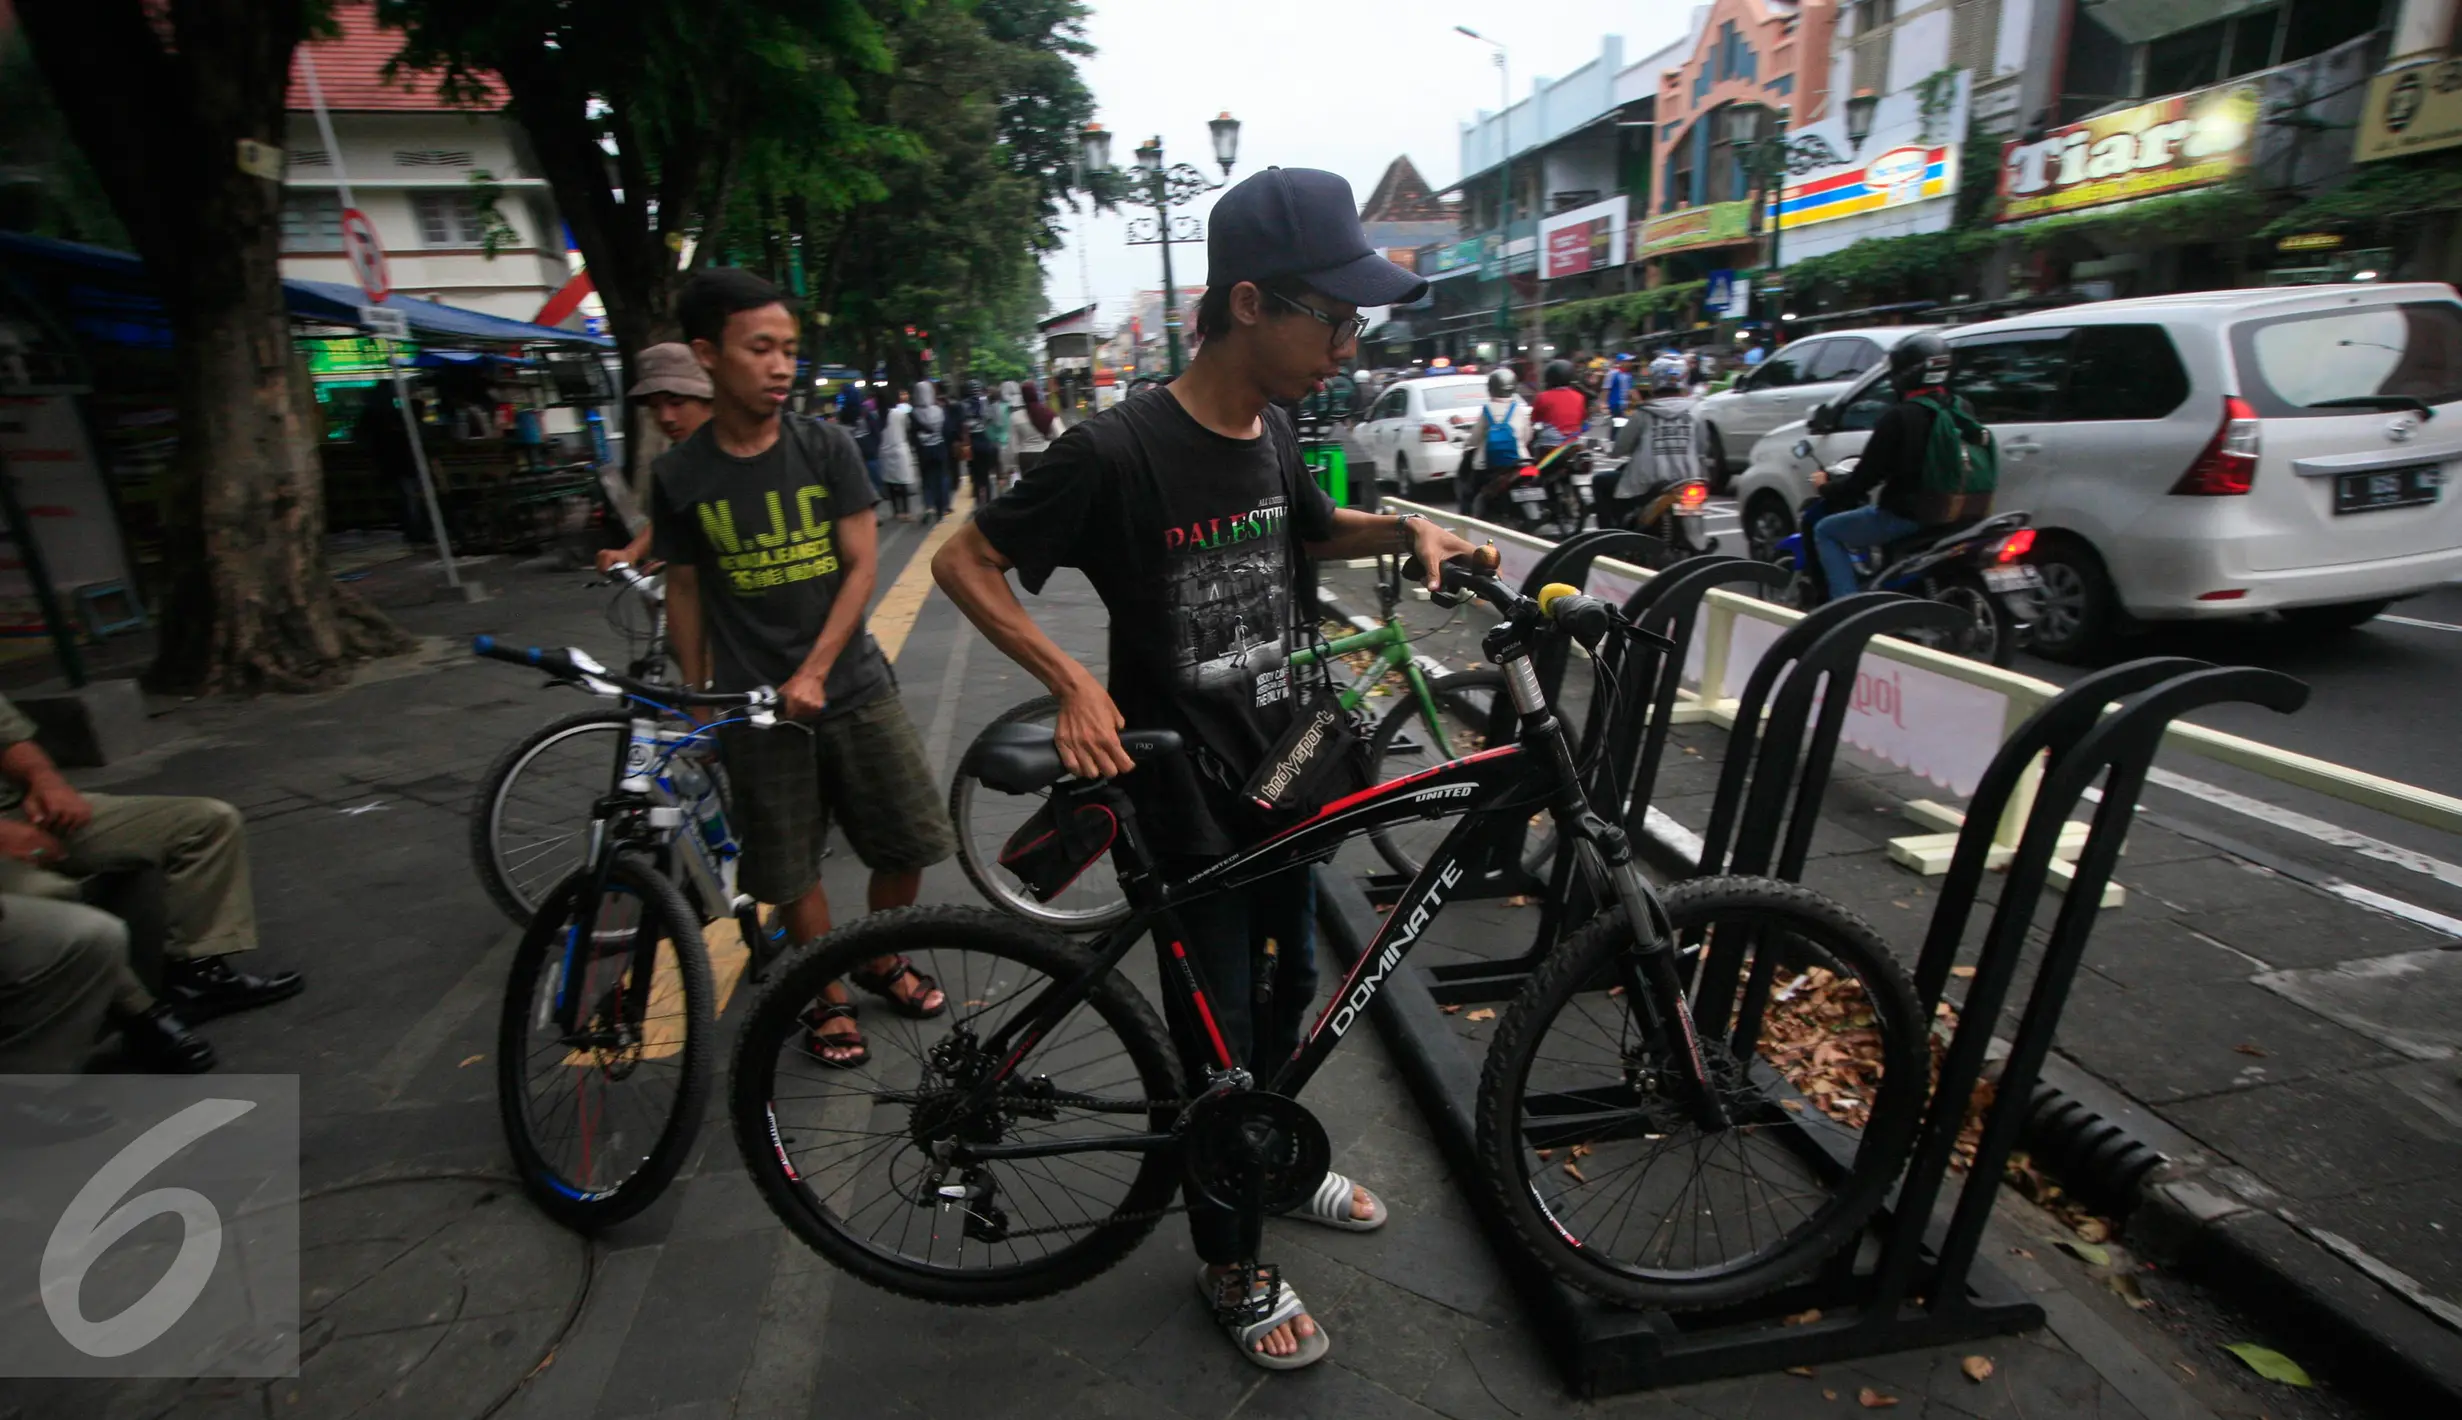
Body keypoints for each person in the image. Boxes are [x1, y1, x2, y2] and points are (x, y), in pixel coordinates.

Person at [934, 166, 1477, 1372]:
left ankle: (1271, 1168)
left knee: (1286, 1010)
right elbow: (963, 563)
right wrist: (1072, 681)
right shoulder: (1114, 450)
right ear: (1247, 303)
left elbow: (1313, 533)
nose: (1347, 342)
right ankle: (1229, 1257)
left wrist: (1408, 527)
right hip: (1182, 809)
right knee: (1218, 1046)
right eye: (1331, 318)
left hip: (1286, 777)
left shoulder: (1275, 427)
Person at [652, 269, 958, 1066]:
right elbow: (684, 587)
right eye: (761, 348)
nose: (781, 365)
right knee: (788, 865)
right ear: (708, 355)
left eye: (788, 349)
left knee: (909, 839)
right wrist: (695, 698)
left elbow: (862, 567)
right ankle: (825, 995)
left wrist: (817, 669)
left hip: (852, 685)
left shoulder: (823, 445)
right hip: (755, 708)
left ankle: (876, 955)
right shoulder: (681, 475)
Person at [0, 695, 291, 1071]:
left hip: (20, 808)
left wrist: (46, 779)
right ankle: (140, 1017)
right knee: (53, 902)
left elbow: (10, 739)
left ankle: (196, 975)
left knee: (207, 822)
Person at [1811, 332, 1983, 601]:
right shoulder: (1961, 408)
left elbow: (1864, 480)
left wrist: (1827, 488)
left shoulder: (1900, 416)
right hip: (1961, 513)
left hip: (1908, 516)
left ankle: (1844, 607)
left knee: (1825, 529)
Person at [598, 342, 717, 574]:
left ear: (709, 399)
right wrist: (631, 553)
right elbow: (670, 518)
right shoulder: (677, 464)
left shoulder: (745, 451)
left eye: (676, 403)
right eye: (654, 407)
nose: (665, 417)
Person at [1605, 357, 1701, 528]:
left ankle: (1613, 539)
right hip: (1690, 479)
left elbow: (1620, 448)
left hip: (1648, 482)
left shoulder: (1643, 413)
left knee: (1601, 481)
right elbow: (1704, 447)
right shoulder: (1698, 411)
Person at [1460, 365, 1532, 517]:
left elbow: (1475, 438)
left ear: (1491, 387)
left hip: (1489, 465)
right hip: (1519, 460)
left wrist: (1467, 444)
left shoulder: (1487, 410)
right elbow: (1527, 436)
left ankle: (1467, 518)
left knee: (1470, 491)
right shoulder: (1518, 409)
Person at [908, 380, 953, 522]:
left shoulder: (913, 413)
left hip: (923, 451)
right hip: (939, 447)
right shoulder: (939, 410)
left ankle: (929, 506)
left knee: (926, 479)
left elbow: (912, 434)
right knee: (941, 478)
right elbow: (946, 430)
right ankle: (942, 507)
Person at [1529, 359, 1587, 451]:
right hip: (1574, 444)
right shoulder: (1579, 397)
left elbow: (1534, 419)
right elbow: (1582, 419)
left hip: (1549, 444)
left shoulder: (1543, 396)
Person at [879, 388, 919, 520]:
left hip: (884, 452)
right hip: (899, 449)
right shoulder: (899, 413)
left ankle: (896, 511)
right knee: (903, 484)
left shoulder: (877, 415)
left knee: (890, 483)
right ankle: (907, 512)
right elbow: (907, 427)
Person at [960, 378, 998, 506]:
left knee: (975, 473)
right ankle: (987, 501)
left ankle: (978, 501)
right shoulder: (984, 402)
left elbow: (962, 424)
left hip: (970, 443)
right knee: (986, 473)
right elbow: (990, 418)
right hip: (984, 440)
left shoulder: (963, 405)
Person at [1008, 380, 1056, 478]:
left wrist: (1013, 464)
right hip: (1046, 454)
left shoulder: (1015, 417)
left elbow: (1013, 444)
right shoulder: (1047, 413)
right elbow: (1061, 434)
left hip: (1025, 457)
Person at [991, 380, 1021, 489]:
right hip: (1020, 447)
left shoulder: (997, 408)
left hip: (1002, 446)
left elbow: (993, 428)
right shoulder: (1021, 407)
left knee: (1005, 478)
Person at [1604, 353, 1635, 419]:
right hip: (1616, 405)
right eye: (1628, 361)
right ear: (1621, 362)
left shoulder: (1629, 375)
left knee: (1629, 424)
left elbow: (1632, 390)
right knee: (1619, 425)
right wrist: (1604, 405)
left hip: (1627, 405)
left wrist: (1638, 402)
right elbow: (1606, 390)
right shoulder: (1612, 373)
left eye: (1630, 361)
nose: (1630, 363)